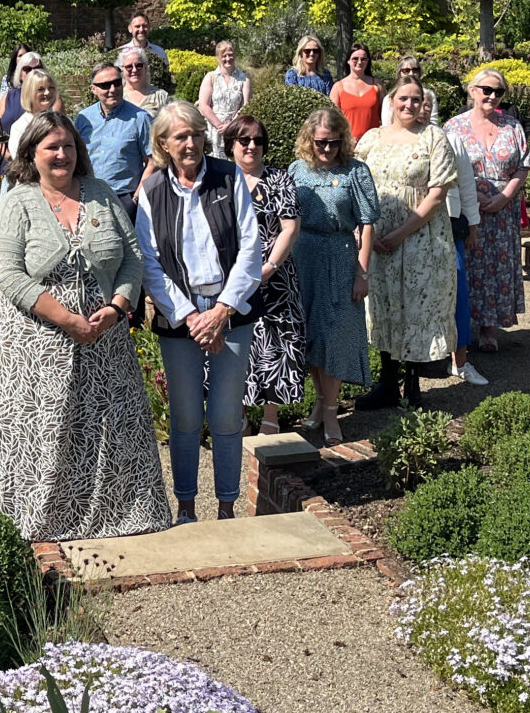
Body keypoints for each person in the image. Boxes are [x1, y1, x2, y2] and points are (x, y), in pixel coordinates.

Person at [0, 112, 171, 541]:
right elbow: (7, 273)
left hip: (105, 338)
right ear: (31, 154)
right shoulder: (18, 200)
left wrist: (118, 307)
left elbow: (132, 257)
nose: (61, 154)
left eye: (68, 146)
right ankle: (37, 520)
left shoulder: (100, 193)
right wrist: (66, 319)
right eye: (51, 147)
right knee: (41, 429)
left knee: (106, 429)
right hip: (37, 344)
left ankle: (119, 517)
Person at [135, 101, 264, 525]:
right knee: (186, 416)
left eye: (195, 134)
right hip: (181, 317)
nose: (190, 143)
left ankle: (227, 506)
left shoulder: (228, 178)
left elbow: (251, 244)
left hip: (230, 311)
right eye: (180, 137)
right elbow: (149, 261)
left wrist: (224, 309)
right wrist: (191, 316)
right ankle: (186, 507)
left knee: (227, 414)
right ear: (163, 145)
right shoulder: (152, 192)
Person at [357, 83, 458, 410]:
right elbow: (355, 182)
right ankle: (387, 382)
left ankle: (413, 383)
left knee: (415, 306)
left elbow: (437, 194)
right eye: (404, 98)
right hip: (376, 238)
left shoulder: (434, 138)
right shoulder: (372, 138)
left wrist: (400, 233)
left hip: (420, 239)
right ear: (392, 102)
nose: (410, 104)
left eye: (417, 99)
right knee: (383, 304)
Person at [289, 107, 379, 445]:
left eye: (333, 142)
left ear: (343, 140)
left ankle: (330, 411)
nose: (326, 149)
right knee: (311, 334)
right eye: (320, 142)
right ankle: (320, 403)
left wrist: (362, 272)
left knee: (335, 336)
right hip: (303, 258)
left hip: (341, 257)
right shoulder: (297, 170)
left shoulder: (356, 172)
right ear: (309, 141)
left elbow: (367, 223)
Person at [224, 114, 305, 435]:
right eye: (244, 140)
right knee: (233, 345)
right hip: (231, 280)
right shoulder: (220, 180)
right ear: (231, 144)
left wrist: (268, 267)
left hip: (275, 279)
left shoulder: (280, 179)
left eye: (258, 140)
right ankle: (237, 415)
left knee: (275, 345)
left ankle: (270, 418)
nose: (252, 146)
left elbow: (291, 227)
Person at [444, 67, 529, 352]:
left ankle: (489, 329)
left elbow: (523, 167)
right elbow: (446, 169)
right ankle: (462, 329)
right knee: (470, 266)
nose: (492, 96)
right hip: (470, 209)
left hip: (504, 211)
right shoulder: (453, 127)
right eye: (487, 90)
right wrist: (475, 199)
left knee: (498, 267)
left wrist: (505, 195)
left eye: (499, 91)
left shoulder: (512, 126)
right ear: (472, 91)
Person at [73, 59, 154, 213]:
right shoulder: (84, 118)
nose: (112, 89)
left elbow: (153, 161)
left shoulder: (140, 118)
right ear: (93, 89)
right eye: (104, 85)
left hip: (125, 198)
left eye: (117, 83)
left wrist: (136, 198)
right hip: (91, 196)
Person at [442, 118, 488, 387]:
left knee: (458, 293)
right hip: (406, 228)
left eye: (425, 104)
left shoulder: (452, 140)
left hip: (450, 224)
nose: (417, 109)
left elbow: (468, 187)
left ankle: (460, 362)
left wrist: (472, 225)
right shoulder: (387, 139)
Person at [195, 40, 251, 156]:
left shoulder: (244, 79)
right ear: (218, 58)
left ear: (235, 55)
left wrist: (231, 126)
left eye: (230, 55)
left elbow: (246, 105)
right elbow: (204, 105)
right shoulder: (210, 77)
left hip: (236, 128)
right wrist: (220, 126)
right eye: (224, 56)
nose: (227, 58)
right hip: (214, 130)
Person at [330, 45, 384, 143]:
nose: (359, 62)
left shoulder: (377, 85)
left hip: (373, 143)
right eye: (355, 58)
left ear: (367, 61)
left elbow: (386, 117)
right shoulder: (338, 87)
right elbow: (333, 120)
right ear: (348, 61)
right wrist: (346, 139)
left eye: (363, 59)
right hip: (347, 144)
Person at [0, 51, 44, 145]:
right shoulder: (8, 98)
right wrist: (8, 155)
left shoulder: (51, 99)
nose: (33, 72)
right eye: (27, 69)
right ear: (20, 74)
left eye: (38, 68)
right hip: (8, 157)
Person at [382, 55, 441, 127]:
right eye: (406, 70)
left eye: (415, 70)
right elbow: (386, 125)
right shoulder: (390, 98)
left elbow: (434, 122)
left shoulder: (428, 94)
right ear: (399, 73)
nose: (411, 73)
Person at [117, 44, 168, 115]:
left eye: (139, 65)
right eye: (129, 67)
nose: (134, 70)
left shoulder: (161, 97)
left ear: (146, 68)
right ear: (122, 71)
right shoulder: (117, 96)